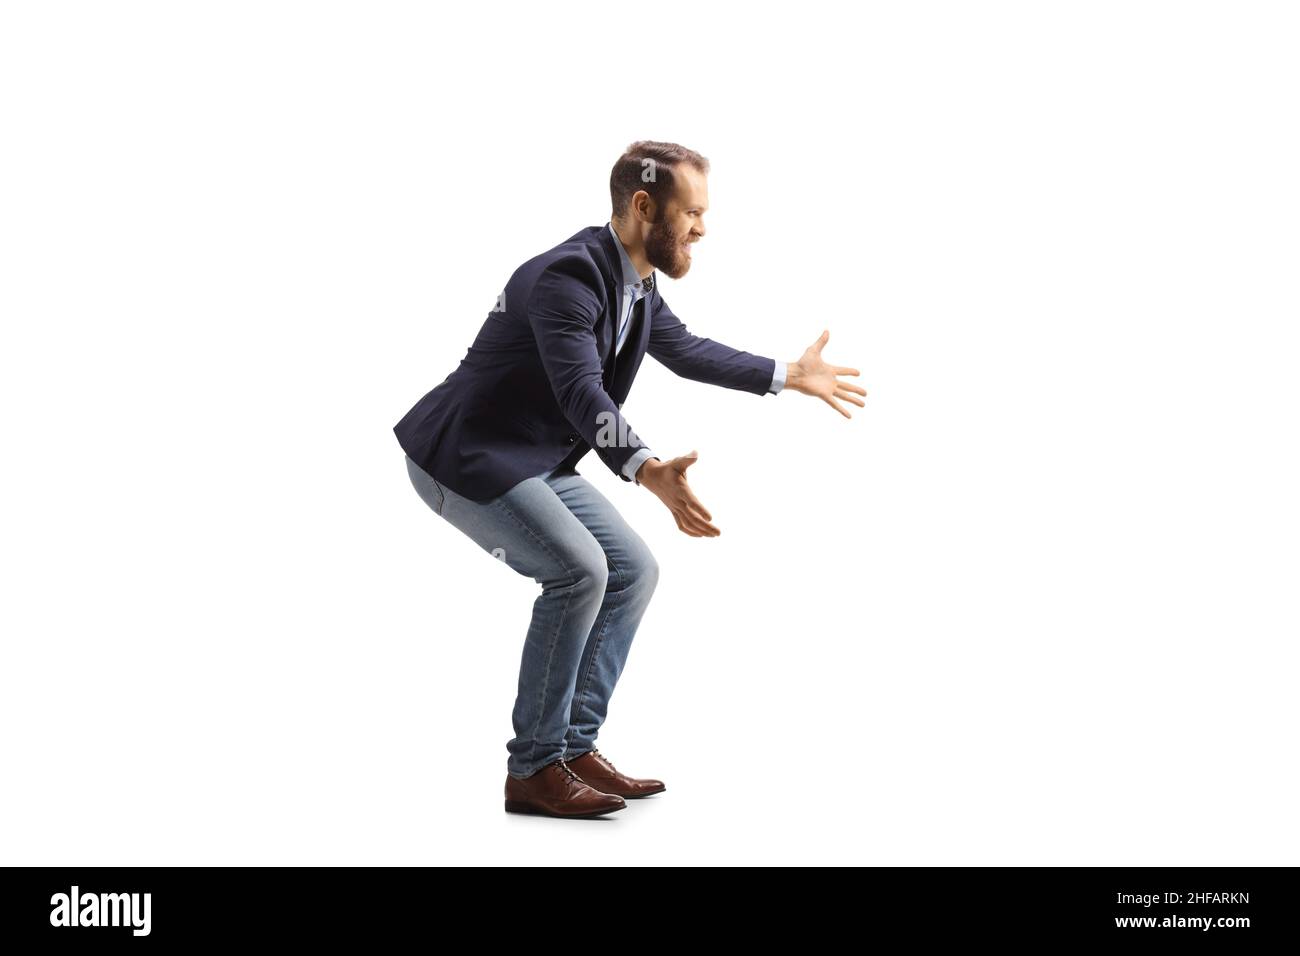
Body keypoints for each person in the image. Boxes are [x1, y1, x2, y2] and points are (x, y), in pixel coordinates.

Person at [394, 140, 866, 818]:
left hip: (531, 456)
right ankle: (532, 770)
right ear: (644, 206)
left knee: (633, 571)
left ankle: (571, 748)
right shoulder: (567, 278)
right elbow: (583, 393)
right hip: (464, 454)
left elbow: (684, 350)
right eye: (691, 212)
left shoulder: (634, 280)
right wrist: (646, 469)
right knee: (580, 571)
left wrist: (787, 376)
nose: (702, 228)